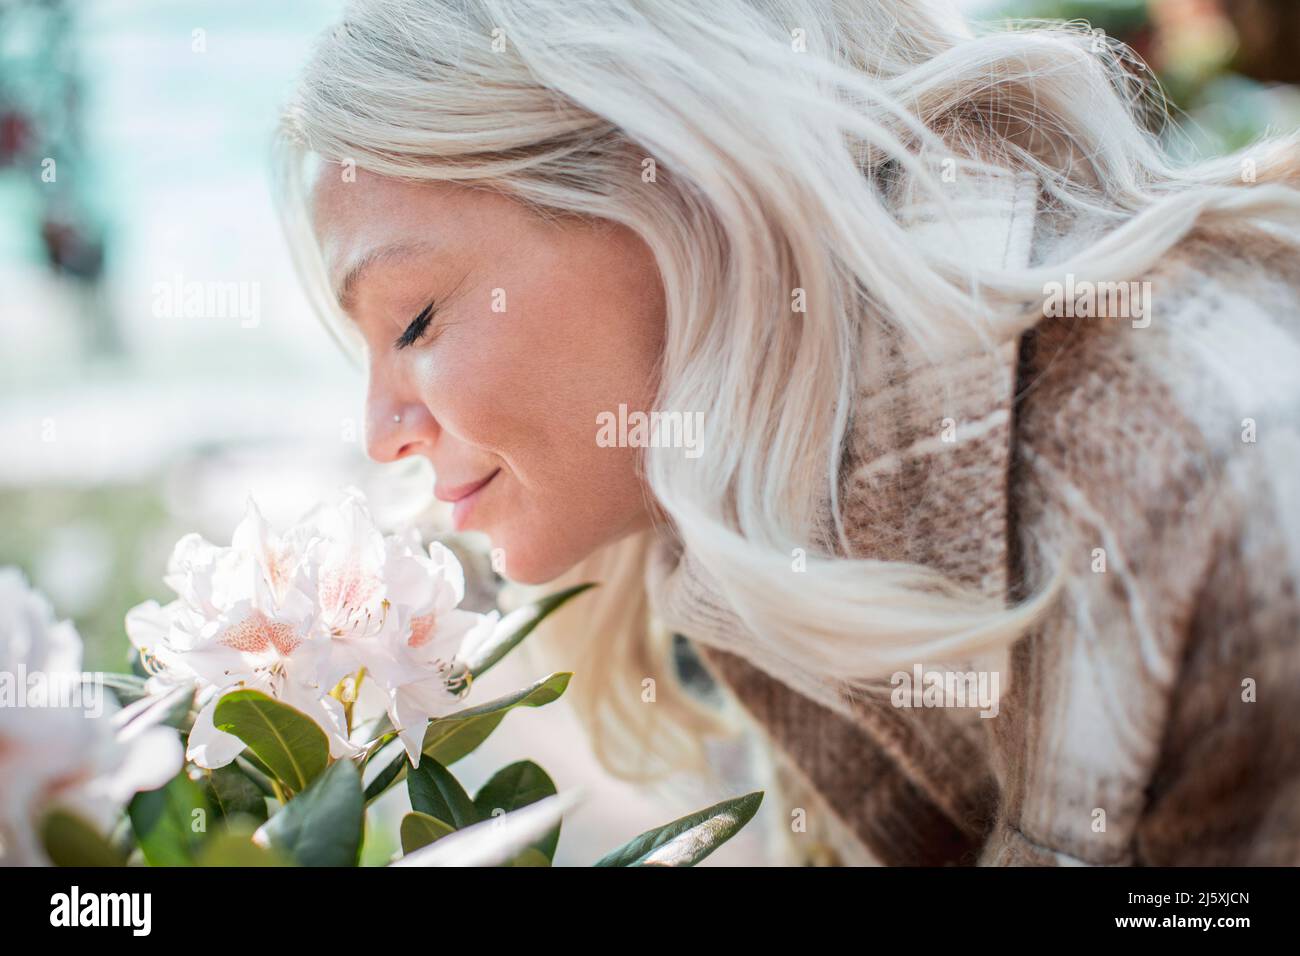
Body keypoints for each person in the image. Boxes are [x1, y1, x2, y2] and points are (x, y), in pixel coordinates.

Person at [277, 0, 1300, 865]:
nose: (379, 432)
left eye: (414, 321)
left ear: (672, 174)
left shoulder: (1192, 488)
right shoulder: (758, 518)